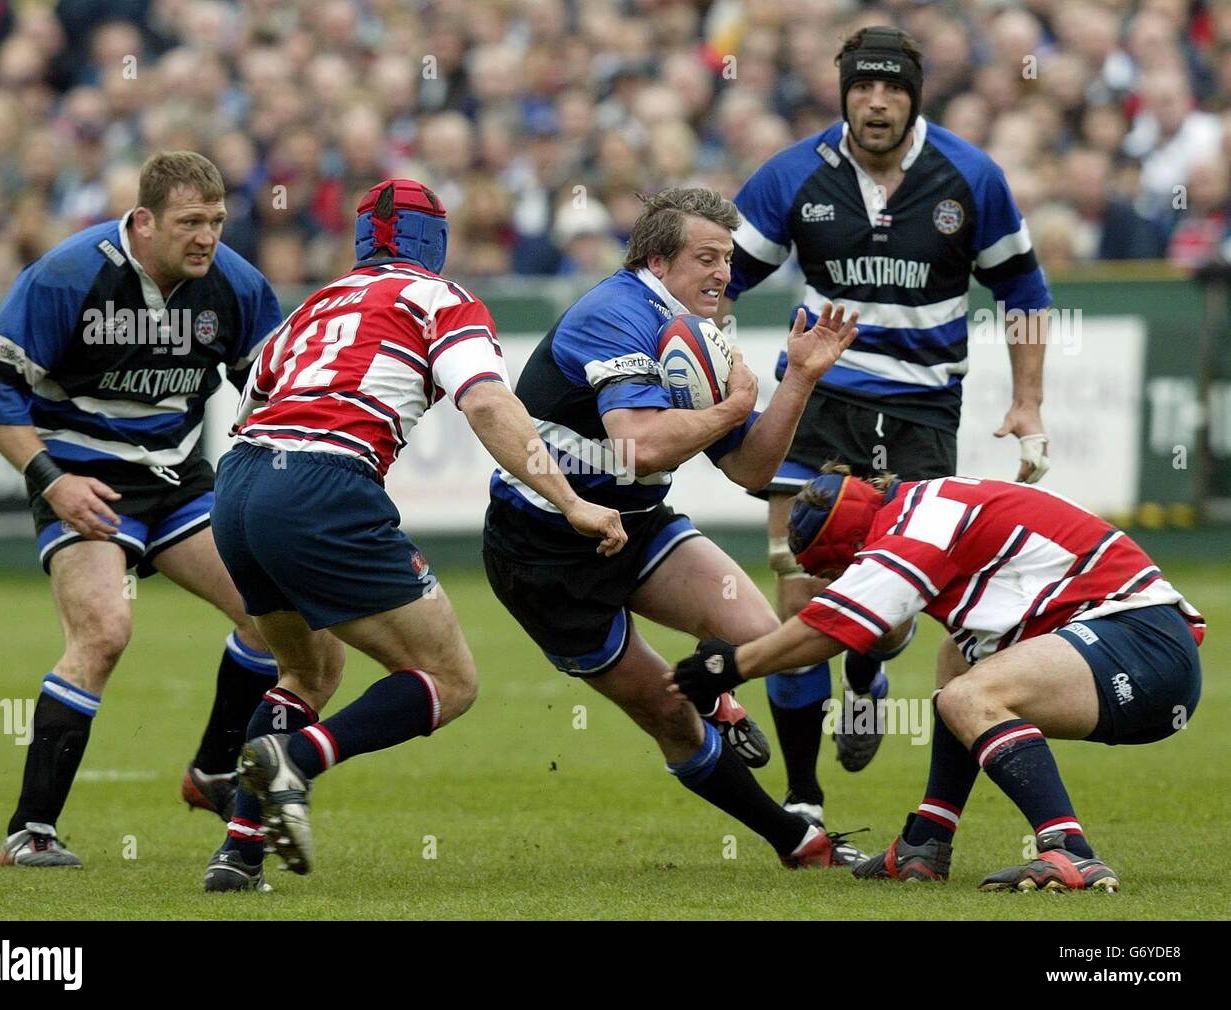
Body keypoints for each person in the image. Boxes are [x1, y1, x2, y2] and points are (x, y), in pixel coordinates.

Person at [203, 179, 626, 891]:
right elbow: (488, 401)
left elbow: (251, 408)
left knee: (307, 673)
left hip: (239, 486)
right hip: (321, 483)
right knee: (450, 680)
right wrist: (570, 499)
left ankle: (238, 854)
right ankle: (298, 761)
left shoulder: (312, 306)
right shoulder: (440, 298)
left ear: (362, 239)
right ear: (437, 240)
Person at [717, 26, 1054, 825]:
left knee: (893, 602)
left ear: (914, 97)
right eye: (864, 88)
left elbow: (1024, 291)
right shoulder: (794, 174)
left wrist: (1028, 401)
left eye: (893, 89)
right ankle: (802, 795)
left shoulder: (971, 177)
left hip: (924, 414)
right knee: (800, 592)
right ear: (843, 94)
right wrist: (722, 369)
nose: (877, 102)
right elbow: (717, 275)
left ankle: (867, 676)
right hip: (822, 400)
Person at [481, 186, 868, 871]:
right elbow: (643, 447)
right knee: (669, 717)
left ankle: (717, 691)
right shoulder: (613, 314)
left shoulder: (699, 329)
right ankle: (795, 840)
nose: (724, 271)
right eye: (707, 257)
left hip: (636, 525)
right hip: (544, 552)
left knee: (775, 644)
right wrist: (732, 410)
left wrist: (800, 380)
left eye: (728, 257)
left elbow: (750, 471)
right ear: (657, 262)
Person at [0, 151, 286, 868]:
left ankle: (213, 772)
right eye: (189, 223)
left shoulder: (235, 285)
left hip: (177, 478)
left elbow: (270, 388)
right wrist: (51, 480)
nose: (206, 237)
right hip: (82, 475)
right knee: (105, 630)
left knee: (271, 615)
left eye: (217, 222)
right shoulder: (69, 274)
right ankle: (29, 832)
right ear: (143, 221)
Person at [670, 465, 1204, 891]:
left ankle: (1070, 851)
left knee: (972, 695)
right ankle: (926, 840)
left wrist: (729, 666)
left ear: (853, 550)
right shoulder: (921, 504)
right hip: (1131, 641)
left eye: (834, 572)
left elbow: (834, 626)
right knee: (956, 660)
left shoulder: (914, 527)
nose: (835, 582)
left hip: (1141, 646)